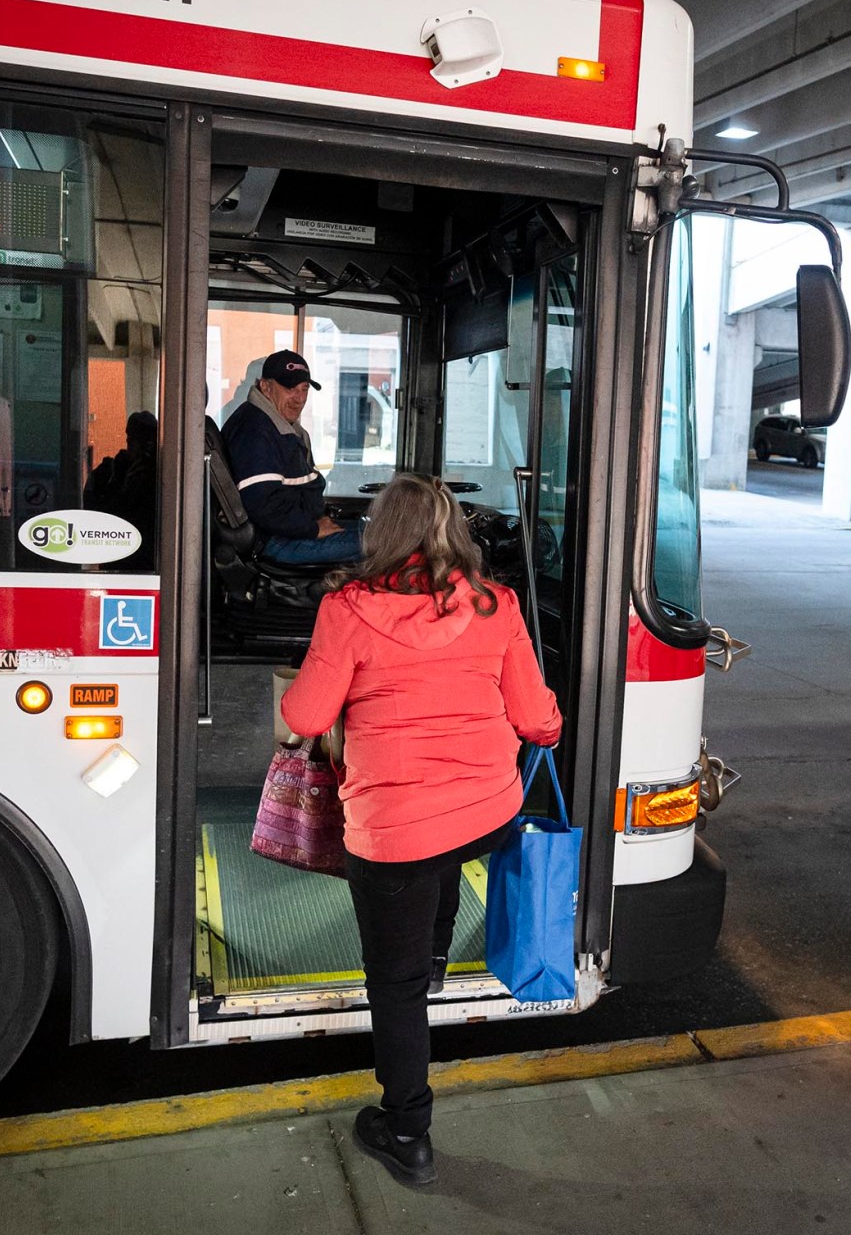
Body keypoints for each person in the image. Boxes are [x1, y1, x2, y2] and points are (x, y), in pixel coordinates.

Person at [280, 473, 560, 1187]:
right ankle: (435, 958)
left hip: (394, 832)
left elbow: (307, 719)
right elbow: (537, 721)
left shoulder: (347, 610)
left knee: (393, 986)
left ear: (381, 533)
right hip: (486, 813)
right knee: (442, 864)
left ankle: (406, 1130)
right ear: (452, 531)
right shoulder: (497, 605)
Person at [219, 349, 361, 565]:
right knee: (390, 546)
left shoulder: (275, 424)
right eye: (289, 388)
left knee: (383, 534)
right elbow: (262, 503)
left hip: (291, 531)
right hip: (276, 542)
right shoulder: (255, 430)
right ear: (265, 387)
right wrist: (312, 528)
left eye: (304, 389)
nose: (300, 399)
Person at [84, 409, 157, 566]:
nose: (146, 452)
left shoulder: (162, 475)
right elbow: (92, 520)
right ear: (129, 442)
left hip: (150, 563)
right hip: (119, 563)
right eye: (141, 443)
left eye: (150, 445)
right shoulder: (109, 473)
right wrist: (124, 489)